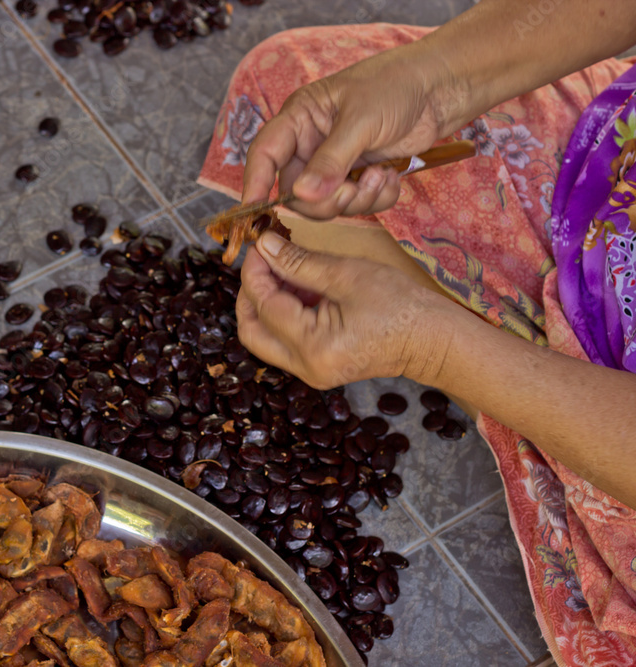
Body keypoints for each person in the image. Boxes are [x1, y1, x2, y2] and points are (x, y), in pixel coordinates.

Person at [198, 1, 636, 663]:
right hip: (611, 195)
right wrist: (435, 83)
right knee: (291, 109)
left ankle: (535, 401)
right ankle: (542, 397)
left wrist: (434, 345)